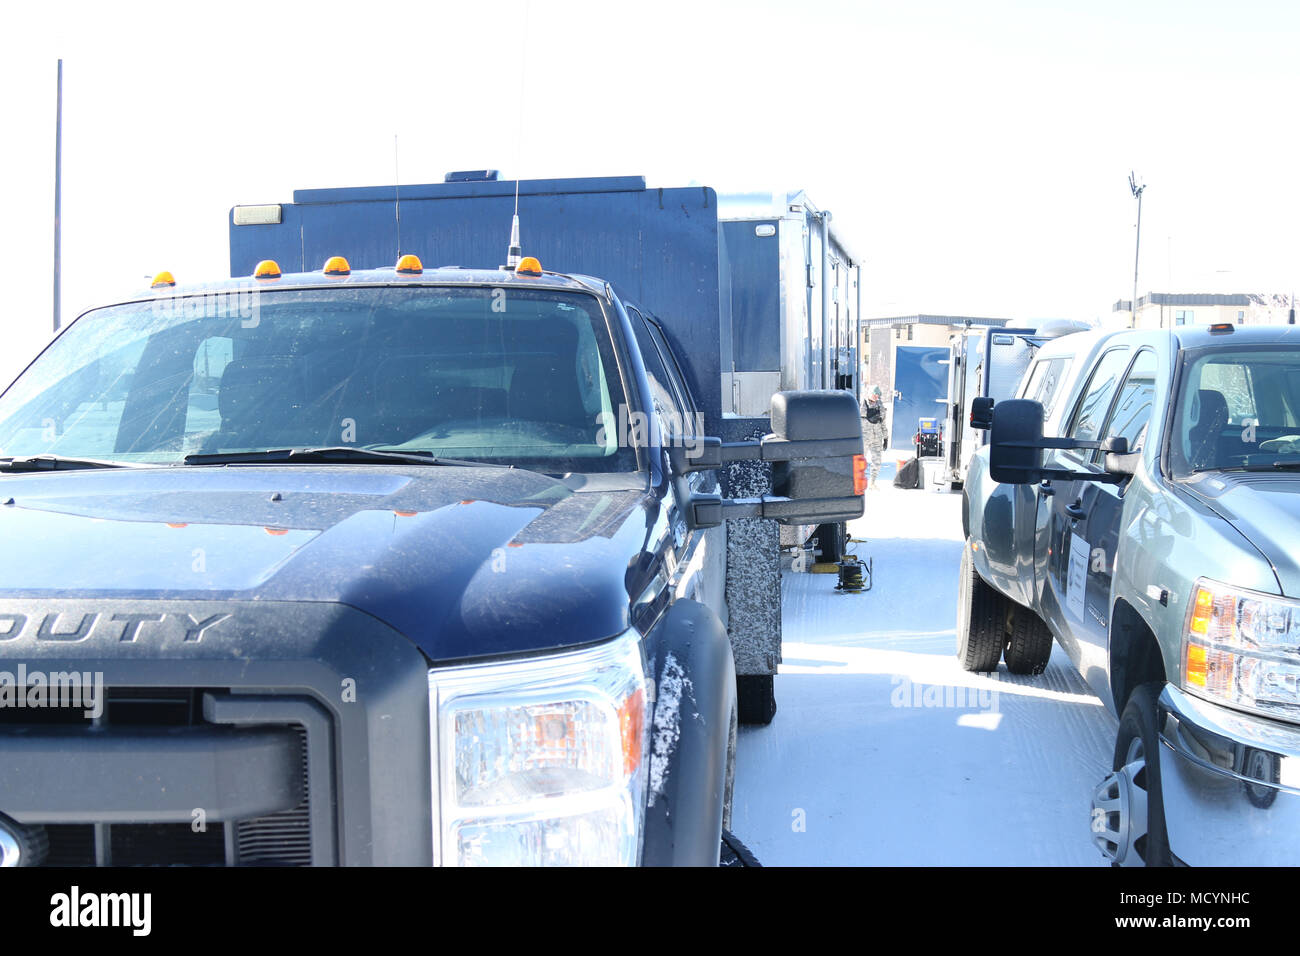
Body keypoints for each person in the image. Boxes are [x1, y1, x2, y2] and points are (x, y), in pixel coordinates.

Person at [862, 386, 888, 489]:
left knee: (877, 461)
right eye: (875, 395)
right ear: (870, 393)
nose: (876, 397)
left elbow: (883, 423)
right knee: (860, 462)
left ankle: (872, 483)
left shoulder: (880, 406)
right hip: (864, 438)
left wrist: (885, 438)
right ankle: (859, 482)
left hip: (877, 438)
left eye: (878, 396)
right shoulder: (861, 405)